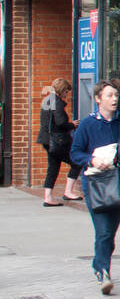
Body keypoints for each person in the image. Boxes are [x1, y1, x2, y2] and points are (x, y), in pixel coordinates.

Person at [69, 80, 120, 295]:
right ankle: (103, 271)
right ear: (98, 99)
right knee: (103, 231)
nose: (114, 99)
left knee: (109, 233)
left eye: (116, 95)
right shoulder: (87, 125)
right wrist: (92, 160)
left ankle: (99, 264)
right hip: (96, 185)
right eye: (109, 95)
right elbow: (75, 153)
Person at [37, 77, 83, 205]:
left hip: (47, 139)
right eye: (66, 91)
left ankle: (48, 197)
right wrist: (72, 125)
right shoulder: (56, 102)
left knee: (53, 167)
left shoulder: (47, 100)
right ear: (62, 90)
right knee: (76, 162)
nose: (66, 94)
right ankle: (68, 192)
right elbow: (60, 122)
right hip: (58, 140)